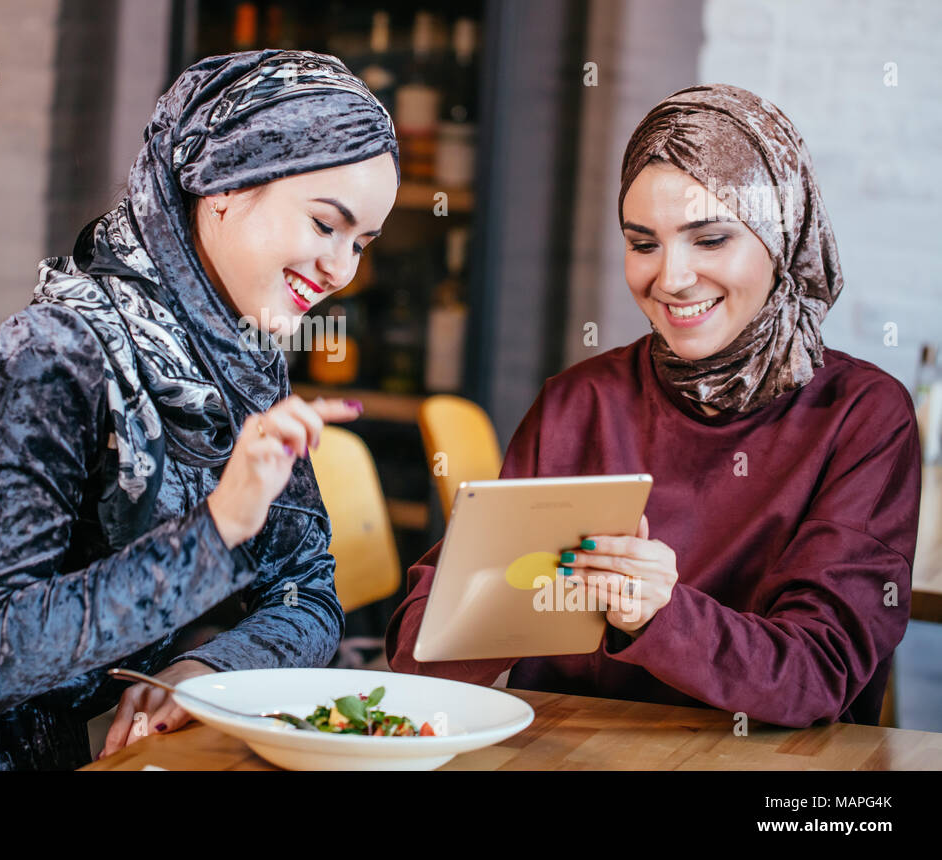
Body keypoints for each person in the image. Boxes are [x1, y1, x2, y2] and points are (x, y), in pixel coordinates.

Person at [0, 49, 399, 769]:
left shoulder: (246, 366)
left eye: (362, 244)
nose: (342, 270)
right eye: (326, 226)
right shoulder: (48, 355)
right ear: (223, 184)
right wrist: (219, 529)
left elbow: (307, 594)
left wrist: (204, 672)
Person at [387, 84, 920, 728]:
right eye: (643, 244)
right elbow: (417, 655)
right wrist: (502, 597)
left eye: (711, 239)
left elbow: (817, 674)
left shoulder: (861, 416)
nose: (670, 279)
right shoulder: (579, 401)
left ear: (782, 237)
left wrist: (659, 614)